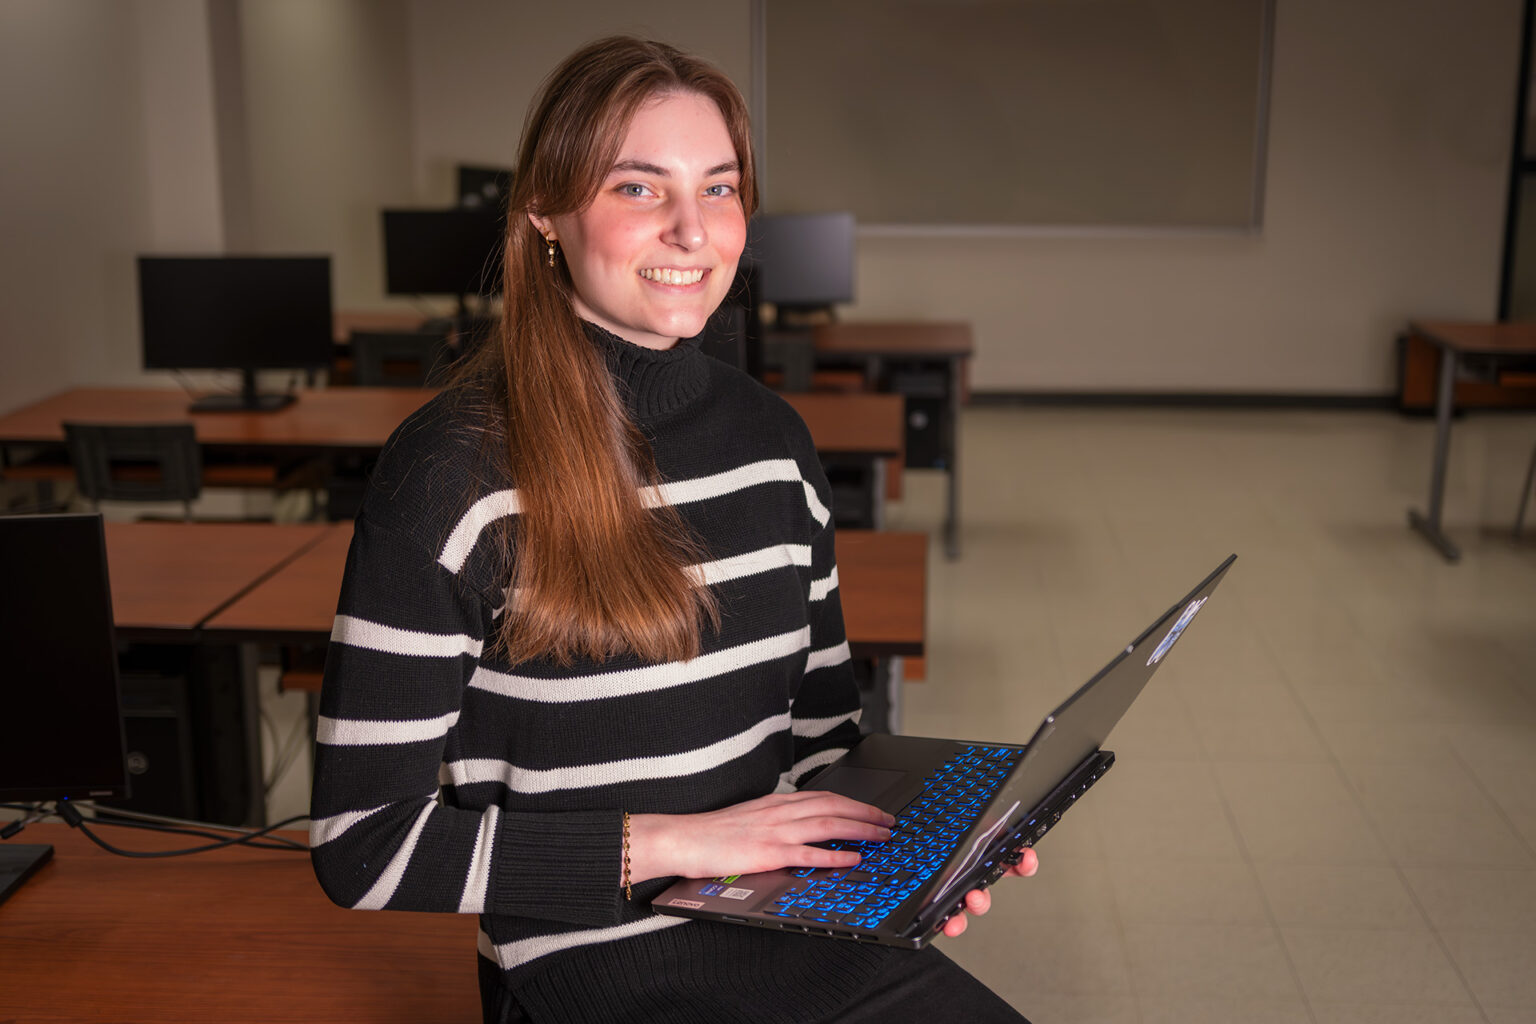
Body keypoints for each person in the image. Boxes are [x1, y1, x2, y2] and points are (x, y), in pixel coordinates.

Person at [310, 35, 1038, 1024]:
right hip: (590, 969)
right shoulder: (451, 473)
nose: (696, 233)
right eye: (641, 190)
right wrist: (684, 844)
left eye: (721, 188)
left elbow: (822, 740)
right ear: (546, 215)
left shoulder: (773, 440)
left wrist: (915, 852)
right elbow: (364, 845)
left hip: (802, 932)